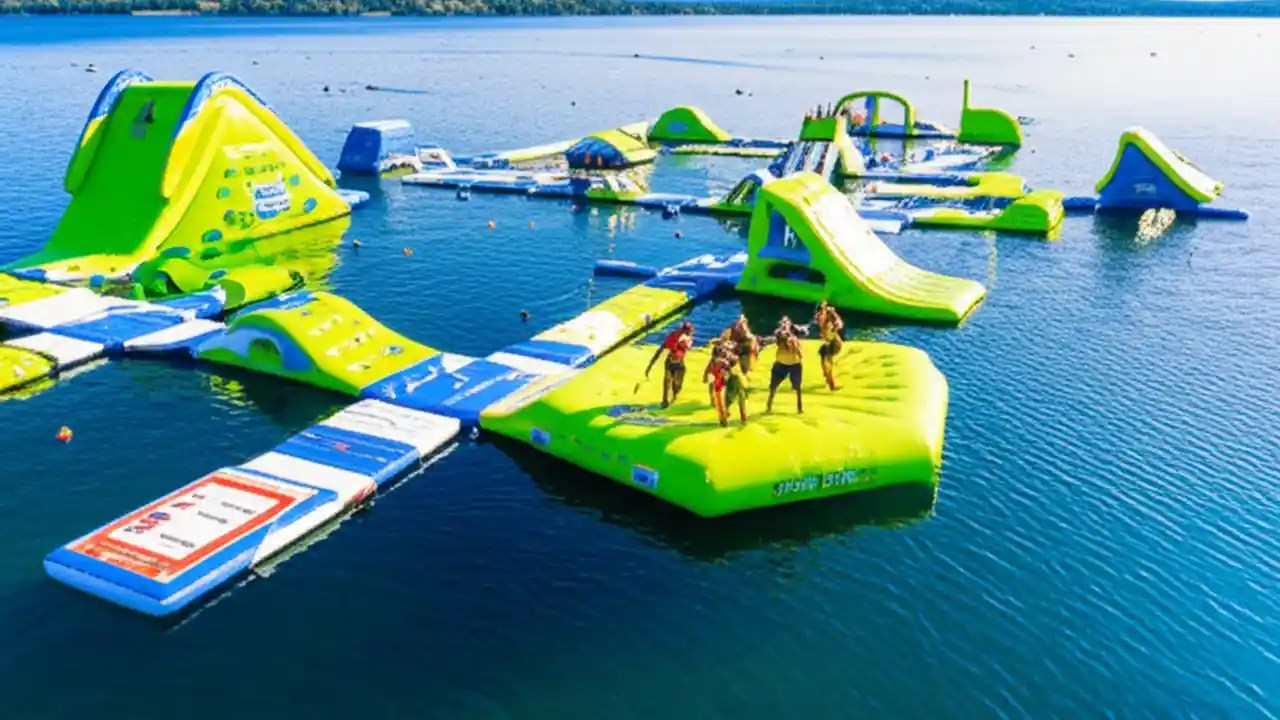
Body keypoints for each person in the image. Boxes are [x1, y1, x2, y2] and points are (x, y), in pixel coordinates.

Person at [645, 321, 694, 408]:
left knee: (677, 386)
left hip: (679, 364)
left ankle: (673, 397)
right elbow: (659, 351)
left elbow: (688, 345)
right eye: (687, 330)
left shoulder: (687, 339)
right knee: (667, 382)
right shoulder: (672, 338)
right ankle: (664, 401)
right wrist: (649, 366)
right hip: (670, 362)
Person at [704, 347, 747, 427]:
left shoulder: (716, 361)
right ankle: (741, 419)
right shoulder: (721, 361)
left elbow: (709, 377)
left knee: (724, 403)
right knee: (738, 400)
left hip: (723, 384)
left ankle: (725, 420)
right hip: (727, 383)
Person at [766, 328, 803, 414]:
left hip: (794, 365)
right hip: (781, 364)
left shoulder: (793, 341)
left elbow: (799, 353)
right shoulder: (779, 342)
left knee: (797, 387)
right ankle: (769, 405)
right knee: (773, 386)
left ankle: (800, 407)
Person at [816, 301, 845, 391]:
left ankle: (828, 379)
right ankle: (831, 384)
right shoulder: (825, 316)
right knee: (828, 363)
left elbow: (837, 325)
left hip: (828, 341)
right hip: (830, 341)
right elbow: (838, 324)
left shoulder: (821, 316)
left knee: (827, 362)